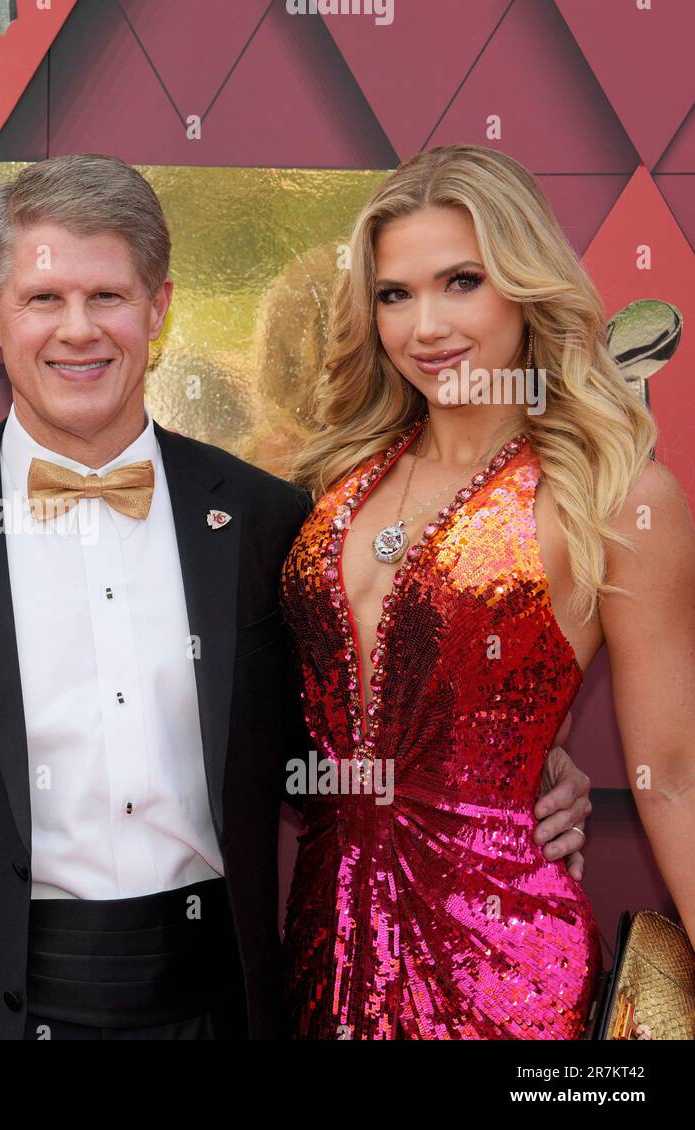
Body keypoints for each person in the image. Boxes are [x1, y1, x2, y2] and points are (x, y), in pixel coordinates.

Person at [0, 152, 592, 1039]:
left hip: (217, 1000)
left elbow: (341, 742)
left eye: (108, 297)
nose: (78, 330)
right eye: (44, 299)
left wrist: (509, 774)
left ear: (158, 310)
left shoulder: (271, 523)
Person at [280, 144, 695, 1039]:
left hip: (503, 970)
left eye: (461, 281)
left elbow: (677, 776)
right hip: (322, 950)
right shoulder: (338, 479)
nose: (426, 325)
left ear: (524, 286)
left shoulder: (614, 494)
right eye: (396, 293)